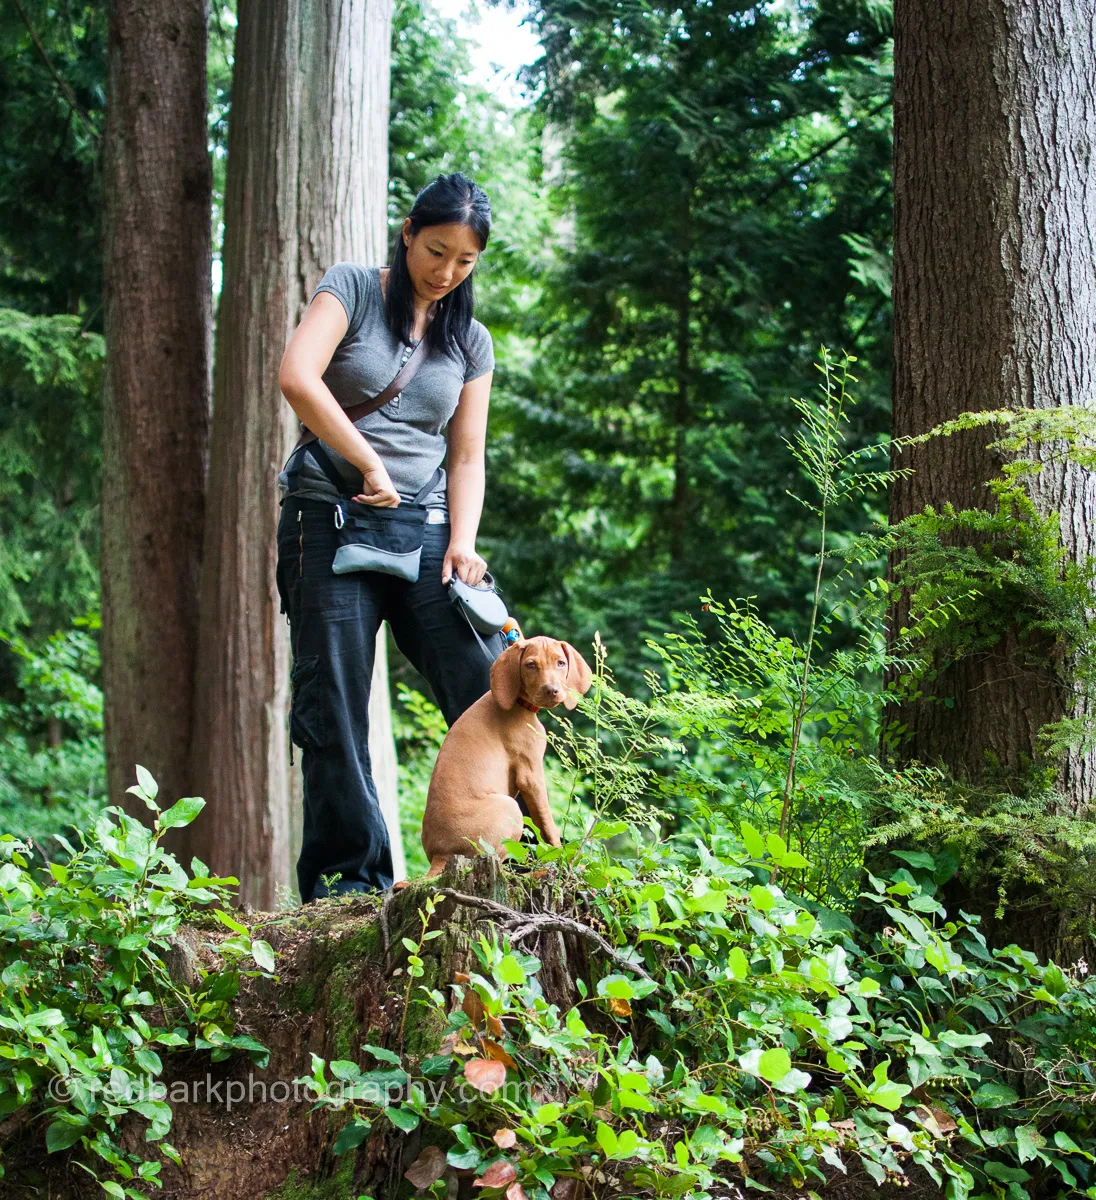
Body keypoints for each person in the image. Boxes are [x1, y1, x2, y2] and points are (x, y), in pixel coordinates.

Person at [274, 171, 511, 904]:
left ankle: (495, 858)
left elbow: (466, 454)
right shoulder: (351, 287)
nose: (445, 273)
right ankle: (351, 890)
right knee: (335, 705)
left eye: (464, 261)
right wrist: (367, 459)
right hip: (333, 514)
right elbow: (297, 376)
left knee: (497, 679)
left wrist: (463, 543)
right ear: (408, 231)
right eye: (435, 250)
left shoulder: (470, 340)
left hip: (428, 528)